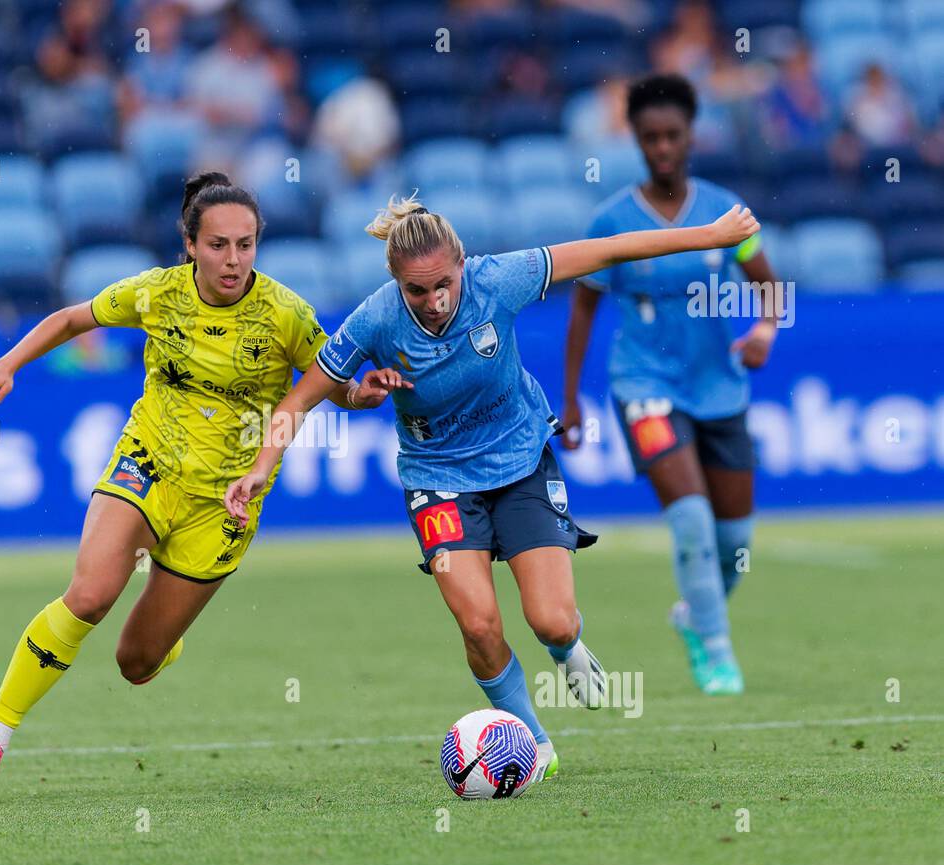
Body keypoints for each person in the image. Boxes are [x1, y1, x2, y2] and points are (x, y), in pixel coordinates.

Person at [225, 189, 759, 790]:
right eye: (416, 291)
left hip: (522, 463)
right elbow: (300, 399)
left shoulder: (500, 279)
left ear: (463, 265)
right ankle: (533, 741)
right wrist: (258, 468)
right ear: (396, 283)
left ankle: (568, 649)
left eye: (443, 284)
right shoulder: (375, 319)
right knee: (479, 625)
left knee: (552, 622)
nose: (433, 301)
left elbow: (608, 250)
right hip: (439, 483)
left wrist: (708, 236)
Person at [0, 172, 389, 800]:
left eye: (245, 244)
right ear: (189, 244)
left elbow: (329, 384)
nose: (233, 260)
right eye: (218, 245)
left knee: (136, 664)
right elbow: (74, 319)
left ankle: (163, 637)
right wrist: (6, 364)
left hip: (226, 502)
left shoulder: (286, 314)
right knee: (91, 595)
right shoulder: (158, 294)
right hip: (149, 463)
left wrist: (360, 394)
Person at [560, 74, 782, 695]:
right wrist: (572, 397)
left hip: (720, 387)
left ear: (691, 136)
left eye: (672, 136)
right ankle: (718, 654)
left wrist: (766, 328)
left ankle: (694, 617)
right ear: (634, 139)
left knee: (734, 541)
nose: (662, 147)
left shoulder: (727, 210)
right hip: (644, 386)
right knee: (689, 518)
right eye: (650, 137)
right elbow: (583, 312)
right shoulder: (611, 220)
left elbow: (770, 285)